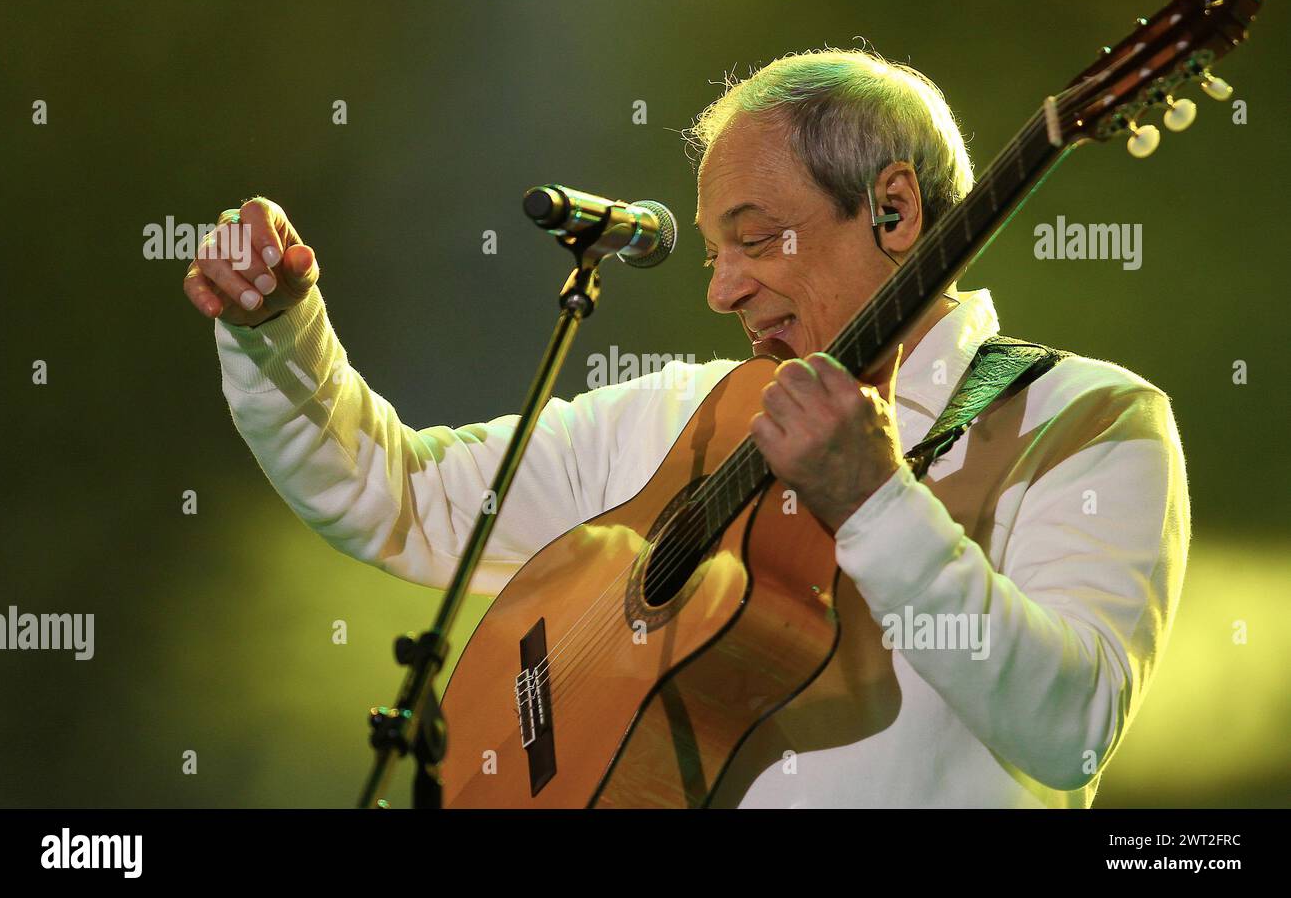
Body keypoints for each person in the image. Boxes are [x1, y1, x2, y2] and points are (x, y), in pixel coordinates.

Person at [182, 49, 1189, 808]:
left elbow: (1071, 729)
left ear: (893, 208)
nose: (719, 288)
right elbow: (401, 497)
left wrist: (878, 502)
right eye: (712, 251)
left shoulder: (1086, 417)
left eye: (752, 239)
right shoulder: (682, 413)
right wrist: (277, 334)